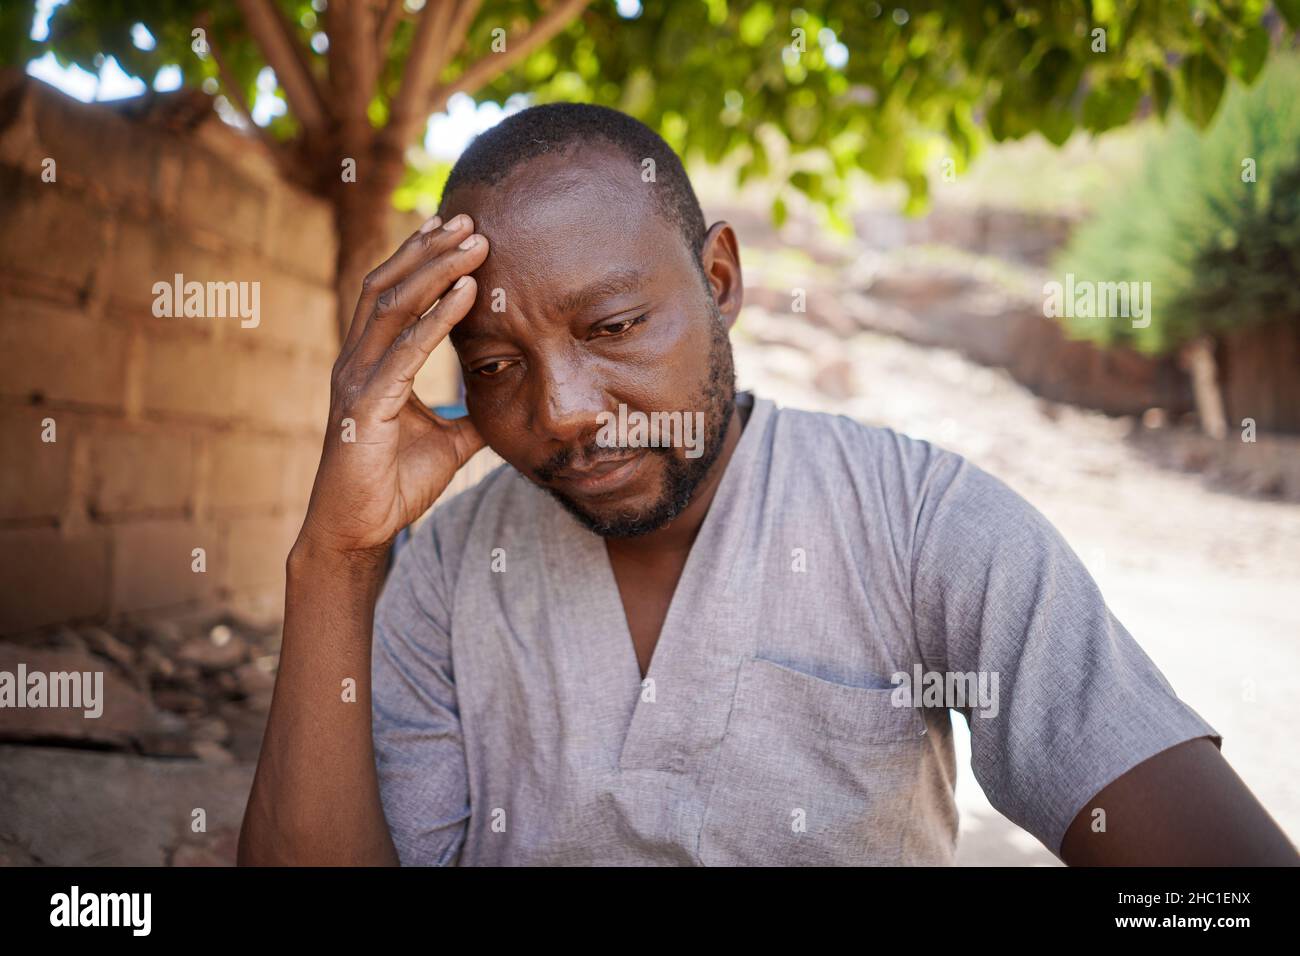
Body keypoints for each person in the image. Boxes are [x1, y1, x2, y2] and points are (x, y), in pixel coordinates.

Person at [237, 103, 1296, 866]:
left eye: (611, 327)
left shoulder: (920, 524)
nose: (560, 408)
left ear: (720, 281)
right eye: (496, 364)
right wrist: (336, 557)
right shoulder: (445, 574)